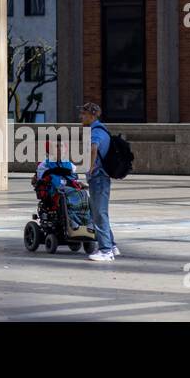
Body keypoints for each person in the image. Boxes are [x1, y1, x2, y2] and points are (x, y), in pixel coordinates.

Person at [81, 102, 119, 262]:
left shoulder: (96, 131)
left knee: (99, 214)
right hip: (101, 177)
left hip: (99, 178)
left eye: (83, 113)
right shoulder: (101, 129)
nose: (81, 116)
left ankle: (105, 250)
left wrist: (89, 168)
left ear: (92, 115)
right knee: (100, 213)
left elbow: (94, 148)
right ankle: (112, 246)